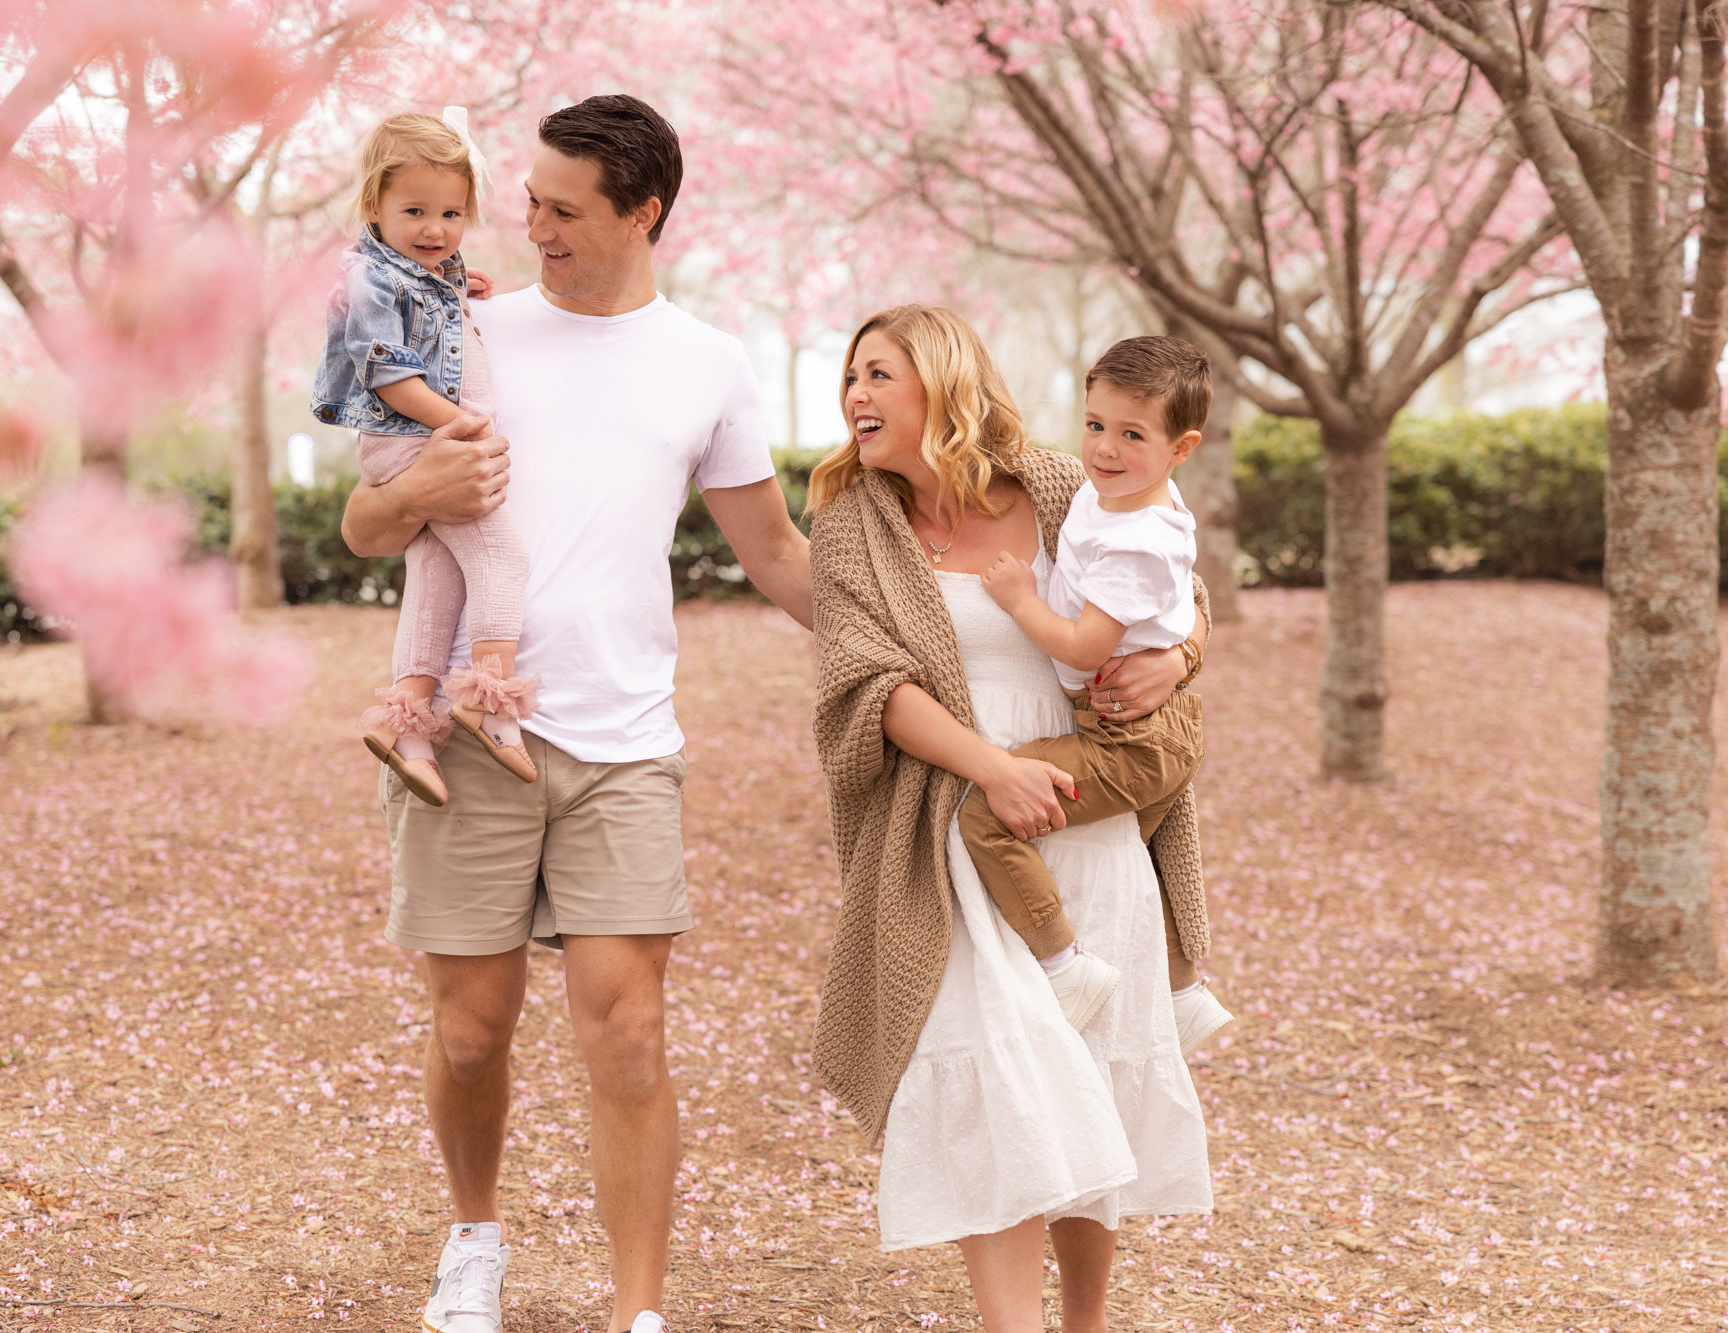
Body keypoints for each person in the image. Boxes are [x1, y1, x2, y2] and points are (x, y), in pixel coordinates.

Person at [340, 95, 811, 1333]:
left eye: (561, 208)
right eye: (529, 199)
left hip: (624, 746)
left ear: (639, 212)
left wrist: (933, 637)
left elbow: (774, 553)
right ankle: (474, 1235)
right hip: (466, 732)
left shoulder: (706, 361)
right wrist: (420, 486)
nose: (529, 223)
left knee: (633, 1035)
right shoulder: (468, 326)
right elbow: (366, 522)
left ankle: (637, 1313)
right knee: (469, 1025)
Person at [809, 305, 1212, 1333]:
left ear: (939, 382)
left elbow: (1170, 591)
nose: (855, 393)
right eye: (850, 375)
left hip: (1086, 815)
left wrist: (1179, 655)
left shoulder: (1059, 483)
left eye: (878, 374)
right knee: (1003, 1084)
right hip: (955, 820)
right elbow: (865, 682)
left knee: (1091, 1081)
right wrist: (990, 769)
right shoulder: (854, 522)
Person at [958, 335, 1233, 1051]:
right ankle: (1182, 991)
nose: (1104, 450)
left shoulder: (1138, 538)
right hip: (1154, 726)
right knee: (1126, 863)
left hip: (1130, 737)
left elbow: (1084, 647)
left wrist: (1020, 599)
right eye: (1095, 424)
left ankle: (1064, 965)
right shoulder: (1119, 493)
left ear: (1183, 448)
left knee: (991, 813)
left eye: (1132, 435)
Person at [311, 109, 541, 800]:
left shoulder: (420, 271)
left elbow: (426, 313)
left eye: (451, 213)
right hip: (415, 440)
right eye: (414, 210)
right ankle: (488, 697)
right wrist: (462, 426)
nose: (436, 230)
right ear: (372, 203)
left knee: (437, 573)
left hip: (421, 441)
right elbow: (389, 371)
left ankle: (406, 722)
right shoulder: (370, 278)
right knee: (504, 558)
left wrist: (454, 289)